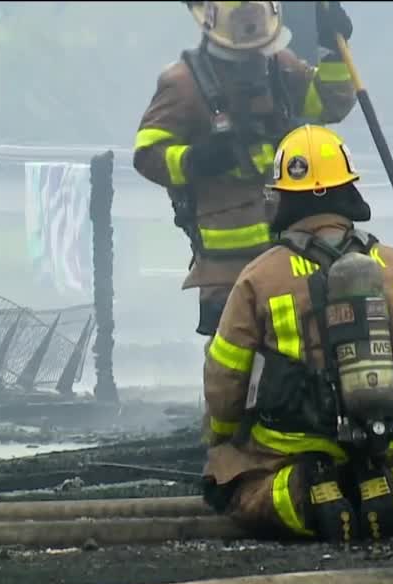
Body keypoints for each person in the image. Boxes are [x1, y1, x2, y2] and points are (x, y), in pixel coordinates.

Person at [200, 125, 393, 544]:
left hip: (288, 452)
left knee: (232, 482)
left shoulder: (260, 277)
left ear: (283, 199)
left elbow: (224, 381)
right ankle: (387, 487)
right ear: (348, 192)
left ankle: (301, 492)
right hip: (389, 447)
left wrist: (223, 435)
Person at [133, 0, 358, 338]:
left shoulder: (277, 66)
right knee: (234, 365)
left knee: (299, 357)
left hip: (289, 253)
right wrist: (195, 160)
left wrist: (335, 53)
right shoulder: (183, 82)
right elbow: (147, 153)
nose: (254, 60)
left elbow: (329, 102)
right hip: (225, 268)